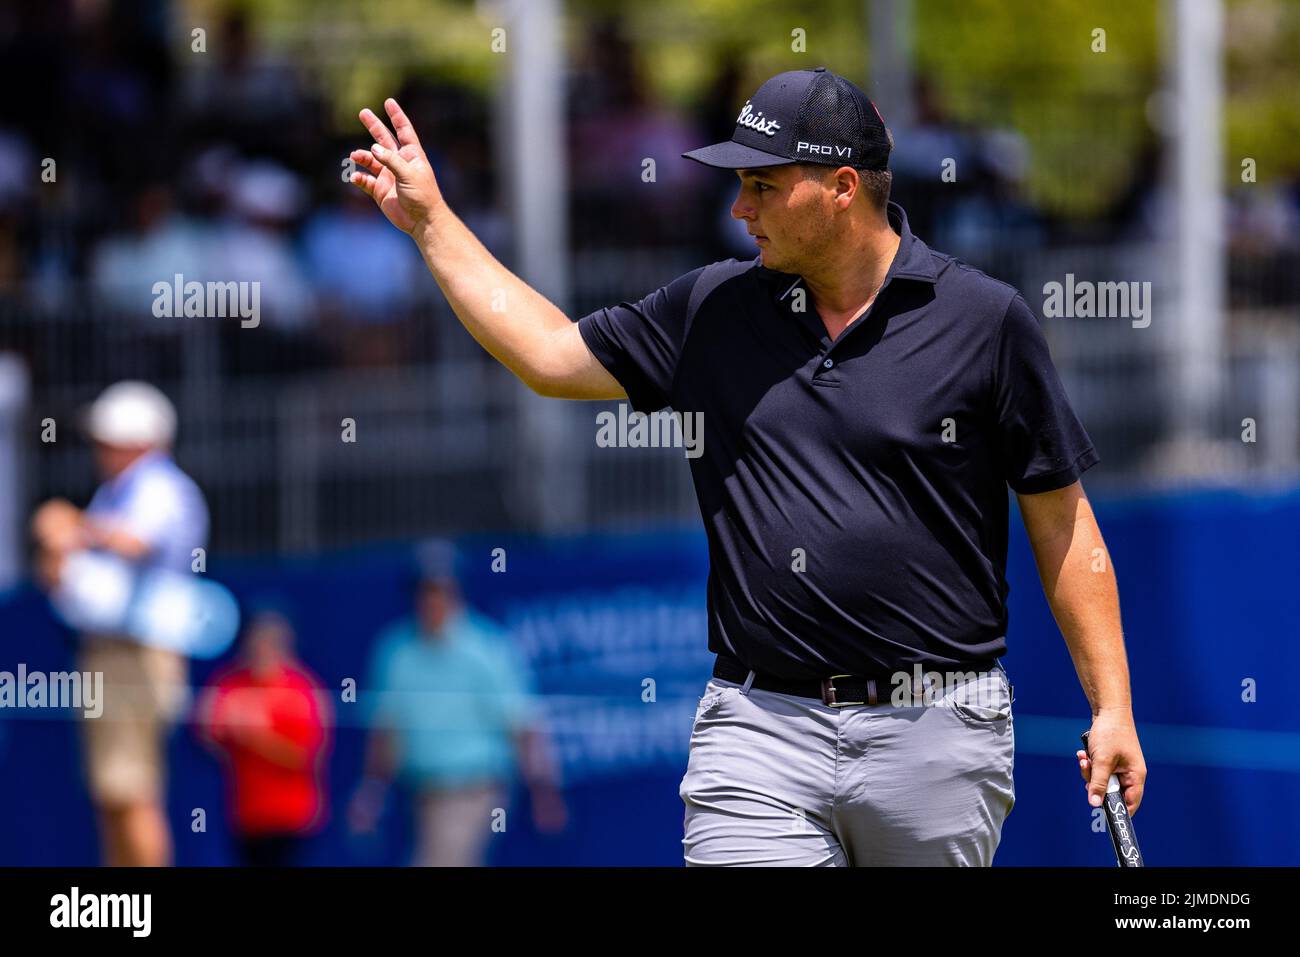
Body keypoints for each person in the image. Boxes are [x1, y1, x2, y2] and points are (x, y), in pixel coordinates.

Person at [345, 67, 1146, 866]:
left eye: (762, 185)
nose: (739, 208)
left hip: (937, 734)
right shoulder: (712, 309)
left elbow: (1064, 524)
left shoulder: (984, 321)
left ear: (840, 186)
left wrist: (1112, 705)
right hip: (760, 730)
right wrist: (431, 222)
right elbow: (550, 355)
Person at [30, 381, 209, 866]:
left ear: (139, 442)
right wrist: (57, 549)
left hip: (137, 655)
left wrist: (72, 527)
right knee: (114, 793)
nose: (100, 450)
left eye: (109, 440)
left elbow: (135, 543)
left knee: (132, 792)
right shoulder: (116, 493)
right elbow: (78, 571)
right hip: (110, 653)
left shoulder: (161, 488)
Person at [349, 541, 566, 867]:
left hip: (475, 789)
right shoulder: (396, 652)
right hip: (421, 794)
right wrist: (371, 792)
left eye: (440, 589)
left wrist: (543, 789)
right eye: (424, 590)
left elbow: (522, 724)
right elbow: (386, 731)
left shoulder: (486, 649)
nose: (432, 600)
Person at [197, 605, 331, 867]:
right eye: (256, 640)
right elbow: (209, 739)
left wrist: (255, 736)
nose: (262, 648)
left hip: (293, 817)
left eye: (270, 641)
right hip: (246, 815)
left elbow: (307, 757)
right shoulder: (231, 684)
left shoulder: (302, 689)